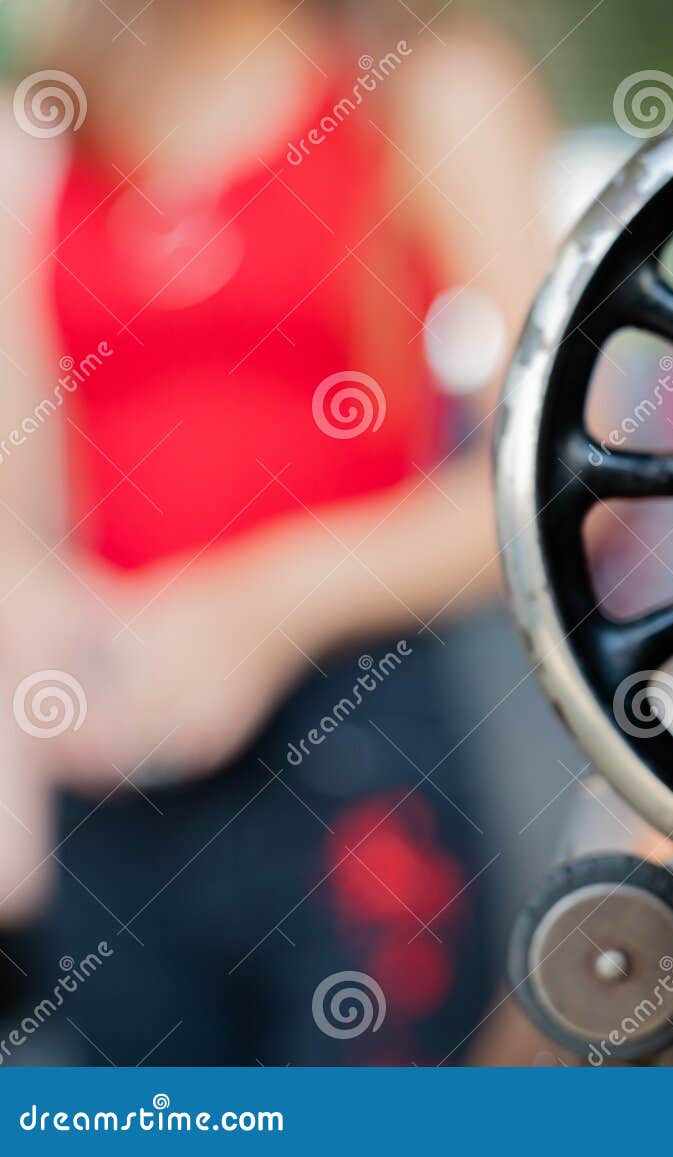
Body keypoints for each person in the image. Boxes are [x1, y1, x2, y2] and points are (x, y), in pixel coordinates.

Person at [0, 0, 556, 1064]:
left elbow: (560, 476)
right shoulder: (41, 136)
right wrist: (50, 627)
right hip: (115, 758)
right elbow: (16, 509)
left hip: (365, 739)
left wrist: (262, 607)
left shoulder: (425, 91)